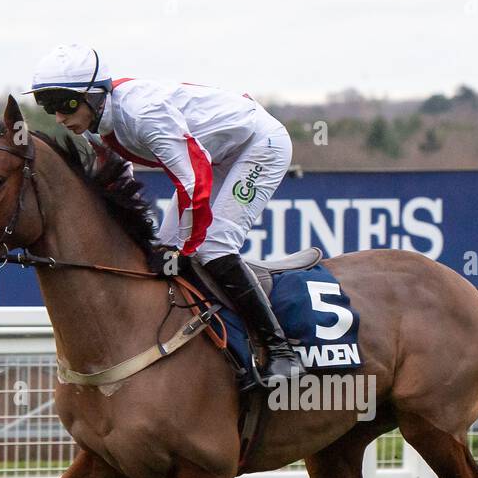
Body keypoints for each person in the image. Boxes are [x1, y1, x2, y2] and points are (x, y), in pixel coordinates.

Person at [28, 43, 302, 385]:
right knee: (163, 247)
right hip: (214, 154)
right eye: (47, 105)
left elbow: (192, 179)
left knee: (211, 247)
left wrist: (182, 249)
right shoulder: (93, 125)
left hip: (260, 145)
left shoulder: (143, 114)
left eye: (65, 104)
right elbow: (121, 181)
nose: (59, 117)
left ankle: (280, 351)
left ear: (97, 96)